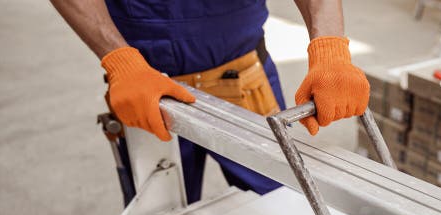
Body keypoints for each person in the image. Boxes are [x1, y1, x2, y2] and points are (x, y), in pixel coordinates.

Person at [50, 0, 370, 203]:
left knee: (280, 208)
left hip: (245, 80)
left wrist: (330, 49)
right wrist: (120, 62)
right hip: (146, 89)